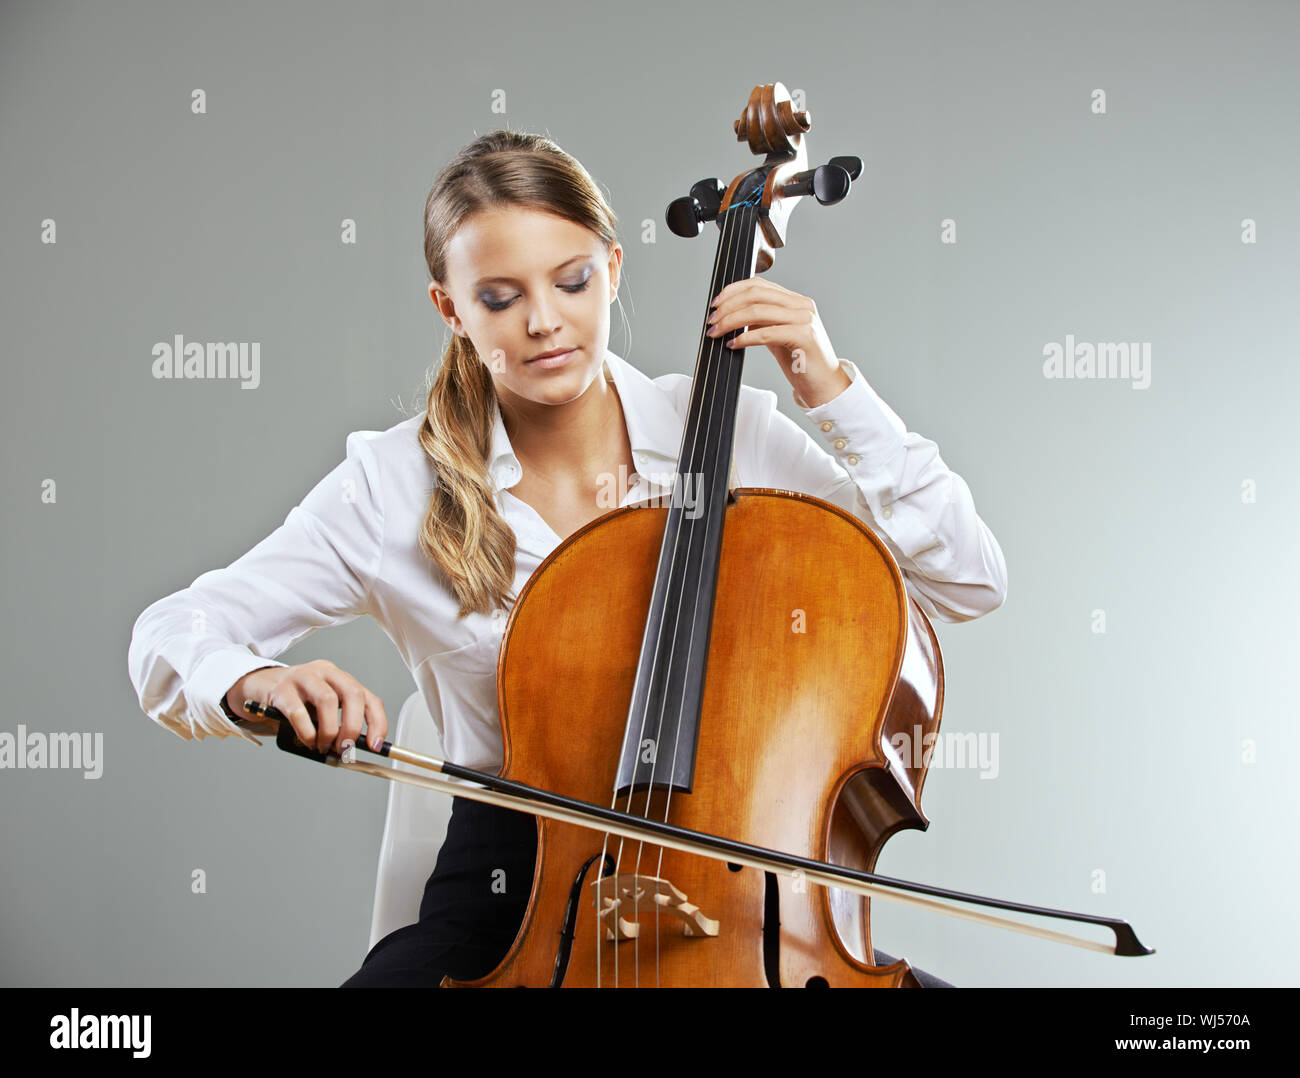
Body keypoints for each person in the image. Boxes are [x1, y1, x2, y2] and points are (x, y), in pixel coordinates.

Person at [128, 129, 1007, 989]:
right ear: (450, 309)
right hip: (513, 906)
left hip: (749, 902)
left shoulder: (731, 434)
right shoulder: (392, 485)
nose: (544, 321)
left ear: (613, 268)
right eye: (499, 298)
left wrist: (830, 387)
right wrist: (257, 681)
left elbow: (968, 580)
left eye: (573, 280)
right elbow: (173, 631)